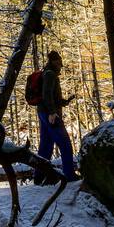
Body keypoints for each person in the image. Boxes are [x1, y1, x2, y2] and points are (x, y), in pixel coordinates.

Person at [36, 50, 77, 181]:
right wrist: (53, 112)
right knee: (65, 144)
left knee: (46, 146)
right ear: (54, 61)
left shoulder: (47, 73)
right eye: (59, 62)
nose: (61, 64)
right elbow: (46, 94)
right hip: (50, 114)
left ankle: (39, 176)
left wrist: (64, 101)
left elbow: (50, 95)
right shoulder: (49, 74)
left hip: (44, 112)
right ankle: (69, 175)